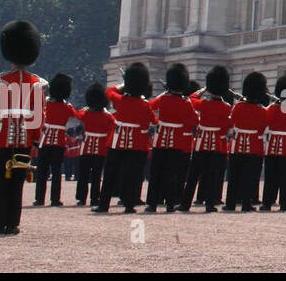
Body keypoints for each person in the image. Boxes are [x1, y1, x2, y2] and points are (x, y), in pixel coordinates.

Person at [0, 20, 47, 235]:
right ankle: (13, 223)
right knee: (18, 182)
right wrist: (36, 140)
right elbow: (39, 116)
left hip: (3, 138)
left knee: (1, 182)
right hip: (26, 139)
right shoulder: (38, 83)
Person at [95, 62, 153, 214]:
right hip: (137, 143)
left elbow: (109, 91)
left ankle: (104, 205)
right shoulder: (146, 105)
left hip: (117, 140)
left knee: (110, 174)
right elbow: (153, 121)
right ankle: (129, 205)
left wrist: (123, 85)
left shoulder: (120, 100)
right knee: (132, 175)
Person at [146, 63, 197, 214]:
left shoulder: (163, 100)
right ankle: (170, 204)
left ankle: (152, 204)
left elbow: (148, 106)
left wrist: (156, 120)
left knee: (156, 173)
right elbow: (196, 121)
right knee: (172, 174)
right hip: (178, 142)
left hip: (160, 139)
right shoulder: (186, 103)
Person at [181, 66, 233, 212]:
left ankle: (185, 204)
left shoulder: (203, 104)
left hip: (201, 143)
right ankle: (210, 204)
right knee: (212, 176)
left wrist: (204, 89)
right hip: (216, 144)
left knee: (193, 176)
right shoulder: (226, 107)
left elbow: (191, 98)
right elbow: (228, 124)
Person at [224, 72, 269, 212]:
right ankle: (246, 203)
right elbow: (262, 129)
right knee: (250, 177)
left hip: (237, 145)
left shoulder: (238, 107)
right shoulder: (262, 111)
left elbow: (231, 122)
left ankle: (230, 203)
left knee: (234, 176)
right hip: (254, 146)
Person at [259, 72, 286, 212]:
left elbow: (265, 120)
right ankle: (285, 203)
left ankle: (267, 202)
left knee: (270, 176)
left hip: (272, 146)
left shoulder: (271, 109)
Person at [34, 72, 74, 207]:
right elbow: (80, 115)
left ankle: (39, 199)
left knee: (42, 171)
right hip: (59, 141)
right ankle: (55, 199)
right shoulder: (67, 107)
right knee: (56, 172)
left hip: (45, 140)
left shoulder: (46, 103)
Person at [73, 83, 112, 207]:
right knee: (96, 175)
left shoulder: (86, 113)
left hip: (86, 146)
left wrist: (87, 107)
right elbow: (114, 125)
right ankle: (95, 199)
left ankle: (81, 198)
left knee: (83, 174)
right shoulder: (107, 116)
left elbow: (78, 114)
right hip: (101, 148)